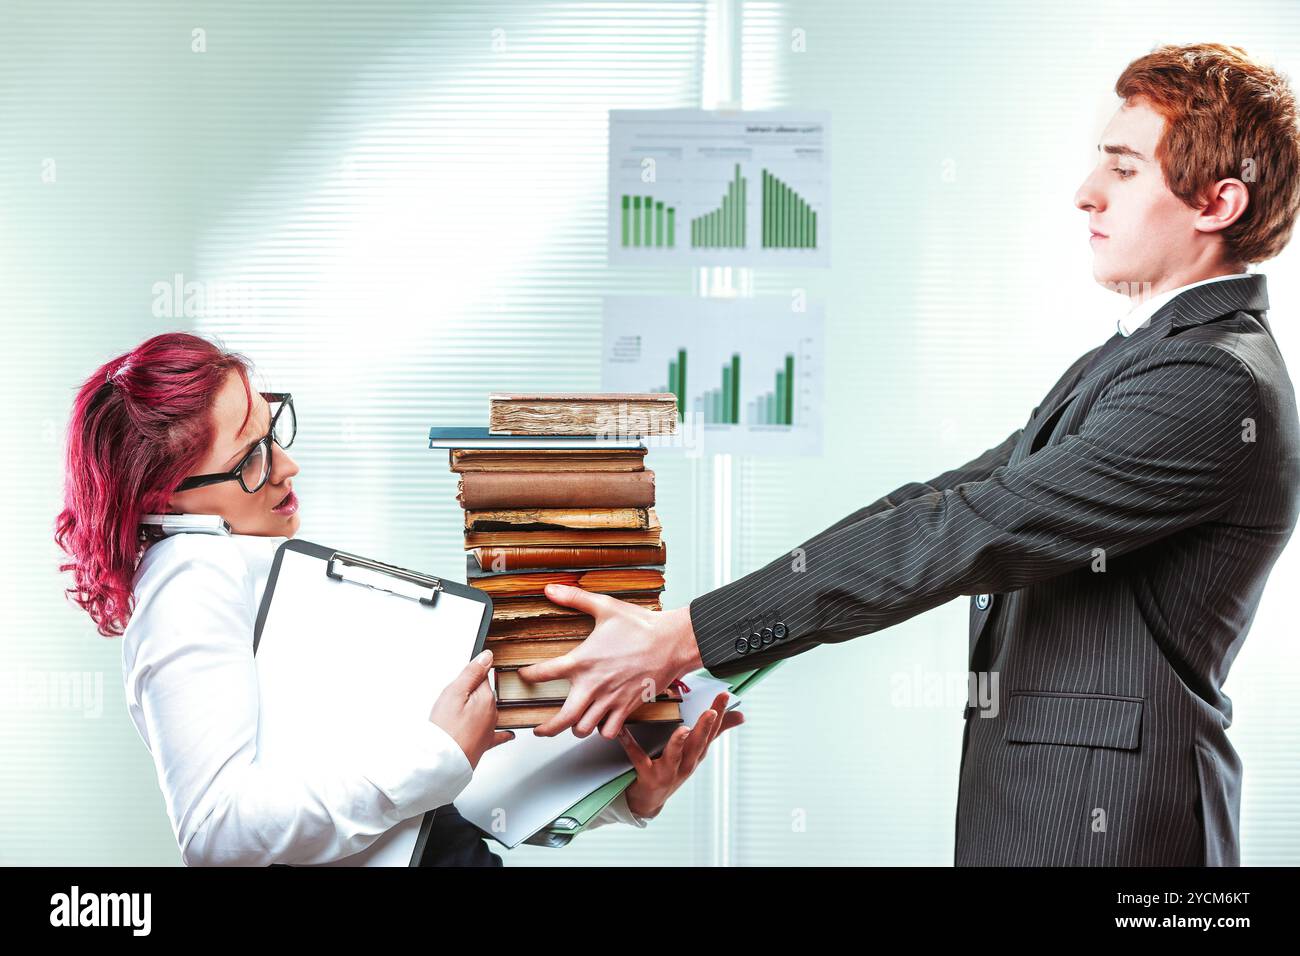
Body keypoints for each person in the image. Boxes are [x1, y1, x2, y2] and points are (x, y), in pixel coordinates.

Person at [519, 42, 1300, 866]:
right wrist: (701, 651)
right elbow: (931, 504)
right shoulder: (1146, 353)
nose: (1086, 193)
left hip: (1108, 828)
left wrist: (681, 639)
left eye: (1126, 170)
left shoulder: (1209, 380)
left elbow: (967, 531)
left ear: (1218, 201)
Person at [55, 332, 741, 866]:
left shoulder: (259, 571)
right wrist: (438, 752)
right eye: (253, 455)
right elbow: (218, 830)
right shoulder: (190, 578)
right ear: (166, 498)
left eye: (274, 430)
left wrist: (628, 793)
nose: (286, 465)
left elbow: (420, 807)